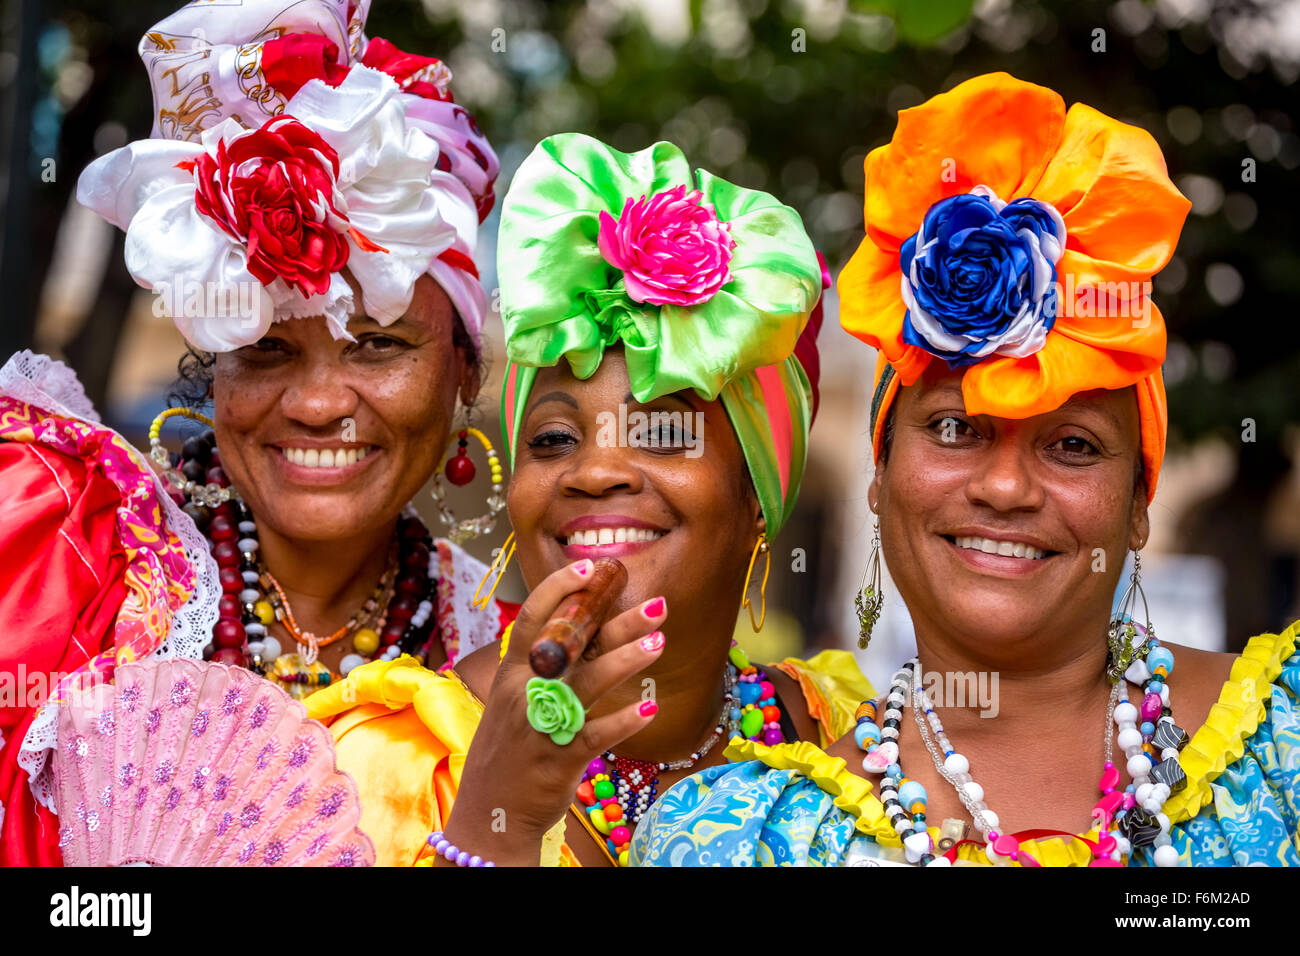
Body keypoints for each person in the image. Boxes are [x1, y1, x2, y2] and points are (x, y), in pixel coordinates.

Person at [631, 72, 1300, 867]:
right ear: (878, 477)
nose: (1006, 487)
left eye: (1073, 445)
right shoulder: (738, 839)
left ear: (1137, 501)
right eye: (954, 428)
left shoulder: (1281, 749)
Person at [0, 0, 512, 864]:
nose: (317, 403)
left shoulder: (506, 662)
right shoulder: (70, 567)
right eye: (266, 348)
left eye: (378, 345)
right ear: (214, 371)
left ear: (463, 371)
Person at [307, 133, 874, 866]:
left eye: (664, 431)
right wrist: (492, 824)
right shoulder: (381, 761)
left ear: (759, 499)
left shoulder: (846, 742)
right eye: (551, 440)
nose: (596, 471)